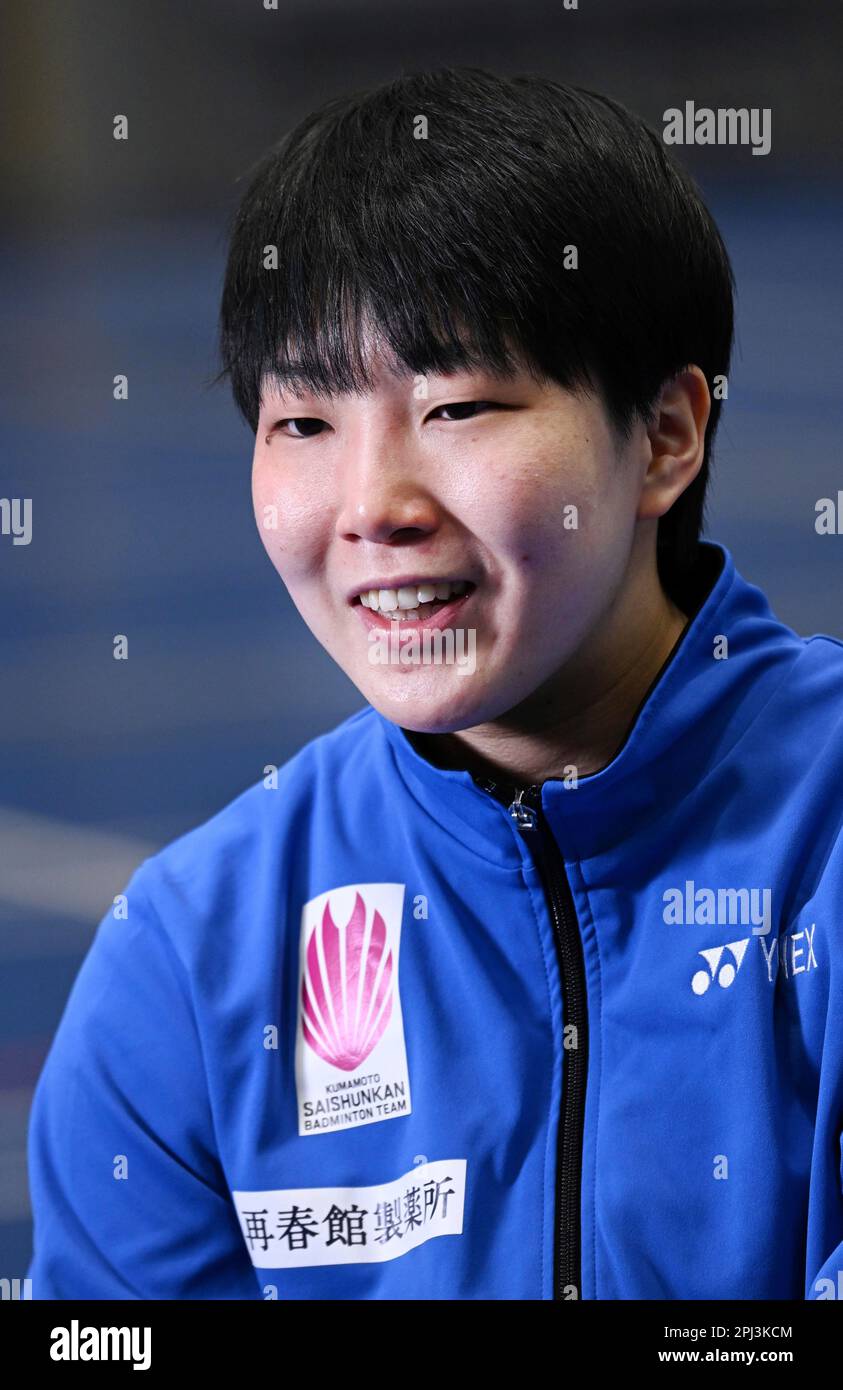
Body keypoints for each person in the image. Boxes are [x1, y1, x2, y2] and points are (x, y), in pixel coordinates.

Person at [27, 66, 843, 1300]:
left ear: (668, 434)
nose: (373, 508)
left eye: (459, 405)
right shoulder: (191, 960)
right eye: (303, 424)